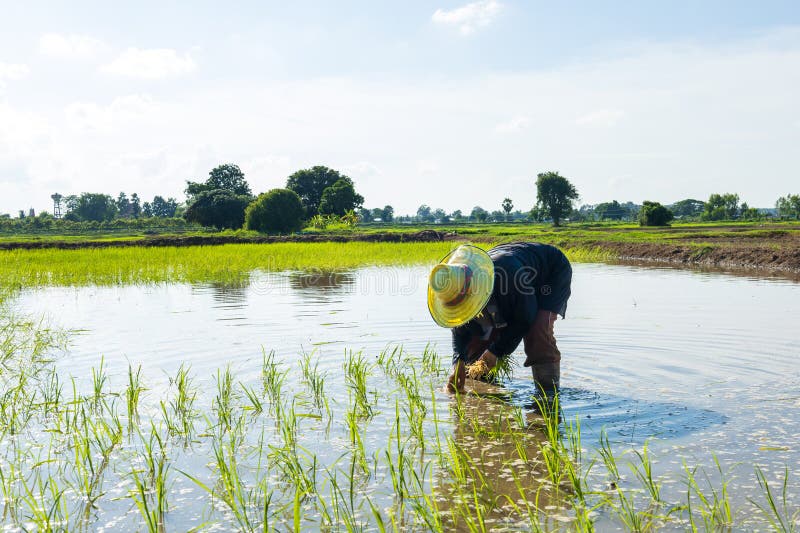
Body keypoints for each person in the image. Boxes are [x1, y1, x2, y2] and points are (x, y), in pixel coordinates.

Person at [427, 242, 572, 394]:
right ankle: (482, 389)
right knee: (474, 344)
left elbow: (524, 319)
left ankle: (548, 394)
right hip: (512, 283)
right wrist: (458, 362)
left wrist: (495, 352)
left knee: (537, 331)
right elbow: (460, 328)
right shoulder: (458, 284)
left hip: (549, 275)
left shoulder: (509, 275)